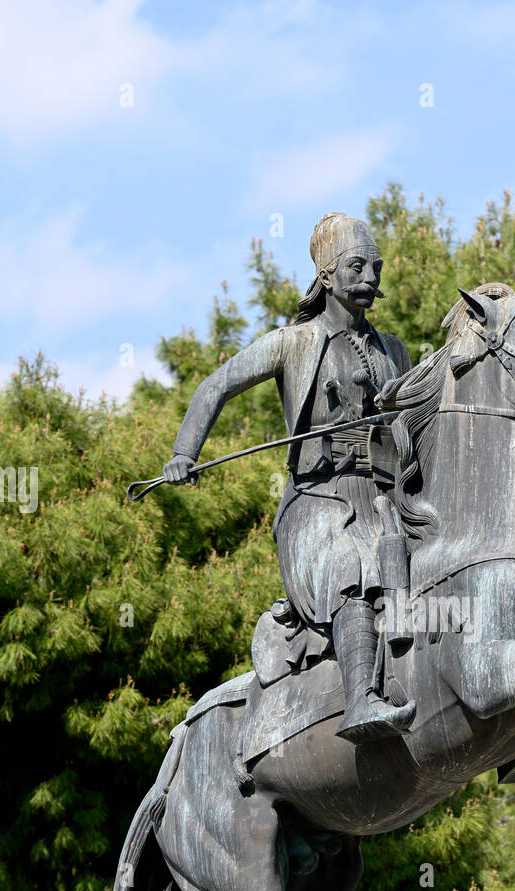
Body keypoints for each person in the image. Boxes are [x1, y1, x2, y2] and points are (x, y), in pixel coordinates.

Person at [162, 213, 416, 742]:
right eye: (356, 267)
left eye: (376, 266)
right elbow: (214, 387)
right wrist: (184, 453)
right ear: (326, 276)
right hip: (318, 504)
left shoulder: (394, 352)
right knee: (353, 562)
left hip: (387, 500)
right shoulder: (292, 343)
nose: (370, 277)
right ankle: (359, 702)